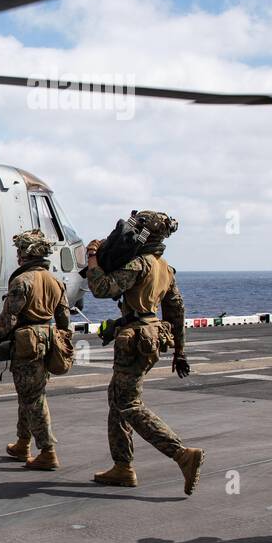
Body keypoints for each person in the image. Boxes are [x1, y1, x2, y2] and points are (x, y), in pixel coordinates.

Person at [86, 210, 203, 494]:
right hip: (151, 337)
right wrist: (180, 351)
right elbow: (176, 311)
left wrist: (92, 257)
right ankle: (123, 466)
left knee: (128, 404)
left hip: (135, 340)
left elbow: (101, 288)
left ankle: (182, 454)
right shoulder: (166, 269)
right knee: (117, 399)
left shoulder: (141, 264)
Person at [0, 229, 71, 468]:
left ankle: (47, 451)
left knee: (34, 399)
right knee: (28, 395)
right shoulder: (56, 281)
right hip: (47, 341)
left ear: (26, 253)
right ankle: (23, 443)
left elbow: (9, 317)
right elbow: (63, 319)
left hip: (27, 343)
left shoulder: (22, 281)